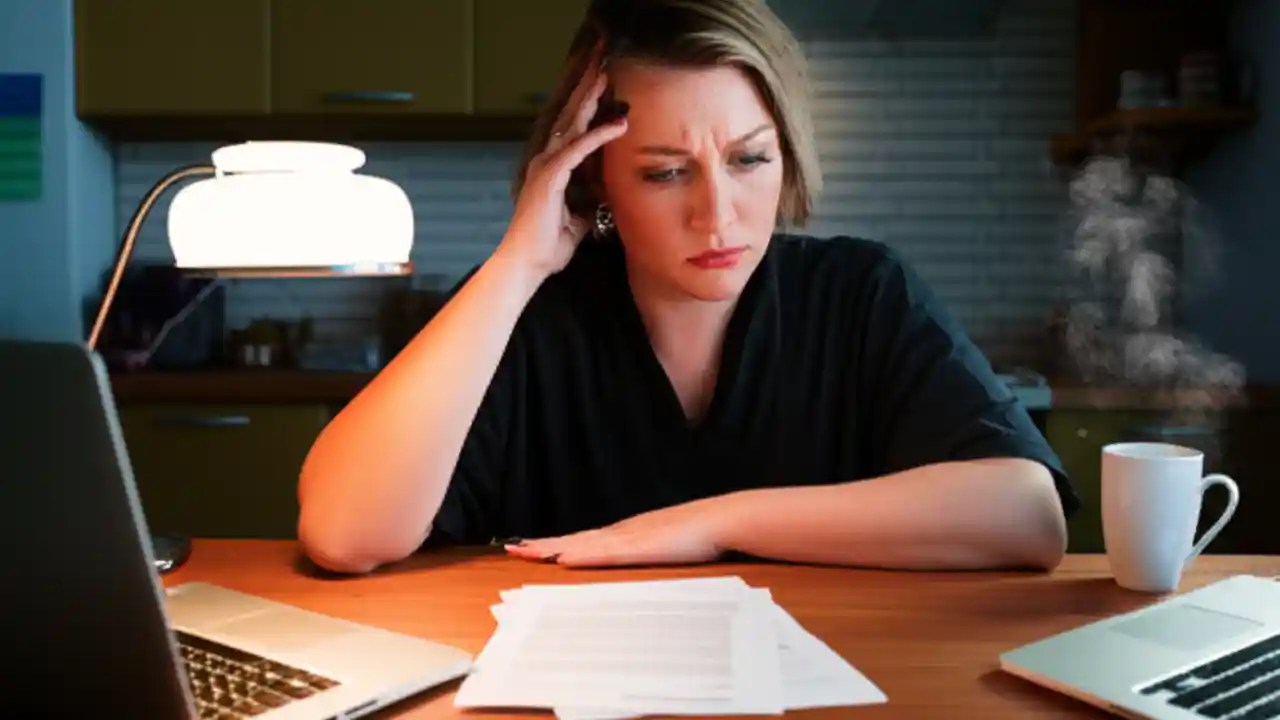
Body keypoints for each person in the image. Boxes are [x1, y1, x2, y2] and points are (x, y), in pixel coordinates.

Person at [297, 0, 1080, 575]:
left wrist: (717, 522)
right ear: (594, 178)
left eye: (748, 160)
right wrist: (517, 264)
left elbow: (1028, 516)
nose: (718, 216)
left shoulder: (861, 293)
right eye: (666, 172)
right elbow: (342, 533)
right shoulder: (526, 314)